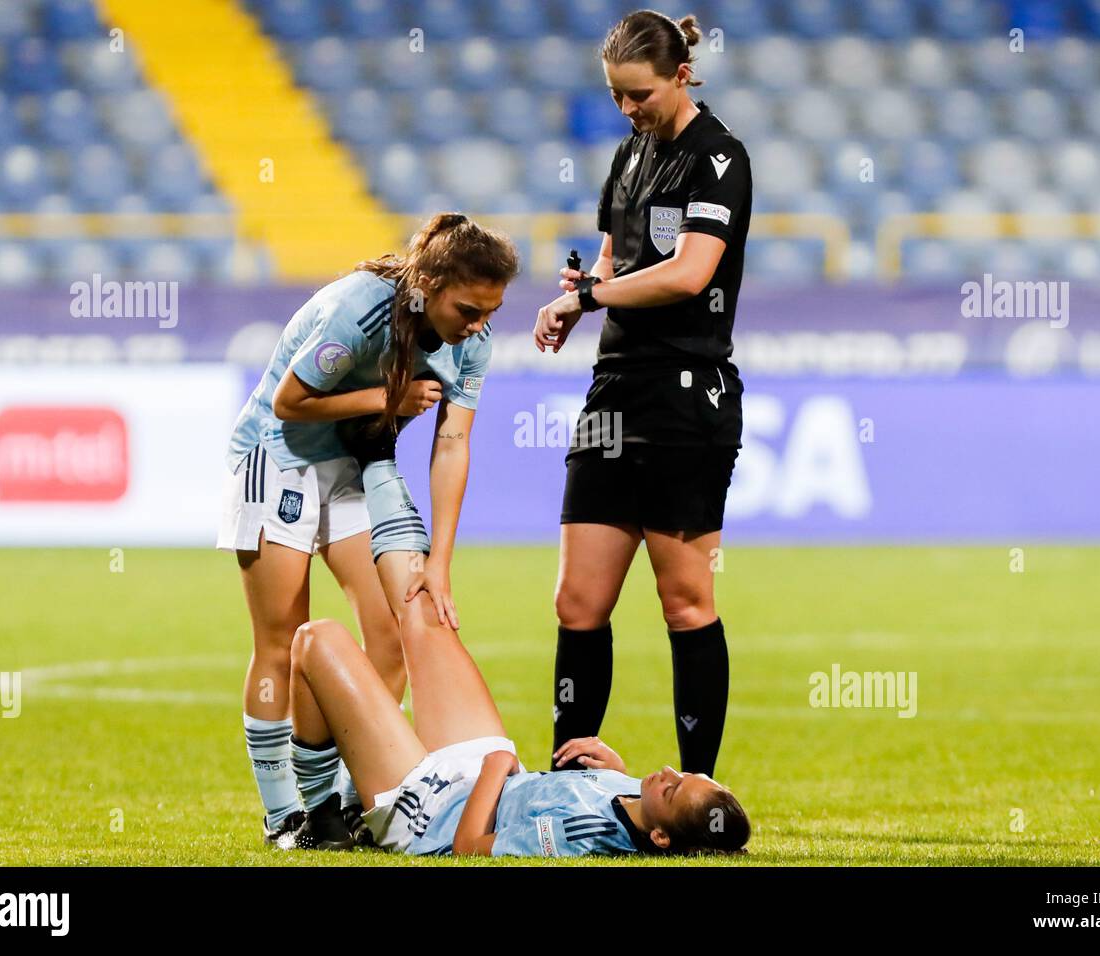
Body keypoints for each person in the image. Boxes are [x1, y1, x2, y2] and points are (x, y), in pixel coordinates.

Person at [217, 212, 519, 842]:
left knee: (389, 633)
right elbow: (287, 401)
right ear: (430, 283)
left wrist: (439, 563)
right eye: (468, 308)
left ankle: (350, 801)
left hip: (350, 464)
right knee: (281, 638)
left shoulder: (473, 342)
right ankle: (285, 814)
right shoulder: (361, 309)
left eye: (490, 311)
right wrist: (387, 398)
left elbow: (452, 446)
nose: (478, 325)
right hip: (277, 456)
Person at [281, 452, 750, 857]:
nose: (667, 772)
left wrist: (498, 765)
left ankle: (321, 821)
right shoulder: (638, 802)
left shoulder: (580, 836)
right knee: (421, 604)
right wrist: (614, 775)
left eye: (671, 788)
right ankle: (376, 455)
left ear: (662, 838)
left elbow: (469, 847)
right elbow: (611, 804)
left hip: (430, 808)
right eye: (685, 772)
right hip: (485, 773)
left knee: (316, 640)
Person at [531, 11, 753, 777]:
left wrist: (593, 296)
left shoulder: (718, 159)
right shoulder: (629, 156)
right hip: (613, 394)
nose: (628, 110)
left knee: (685, 602)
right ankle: (569, 778)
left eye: (640, 94)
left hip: (686, 398)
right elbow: (612, 258)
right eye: (618, 97)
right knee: (576, 604)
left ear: (682, 75)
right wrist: (579, 297)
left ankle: (696, 786)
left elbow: (691, 273)